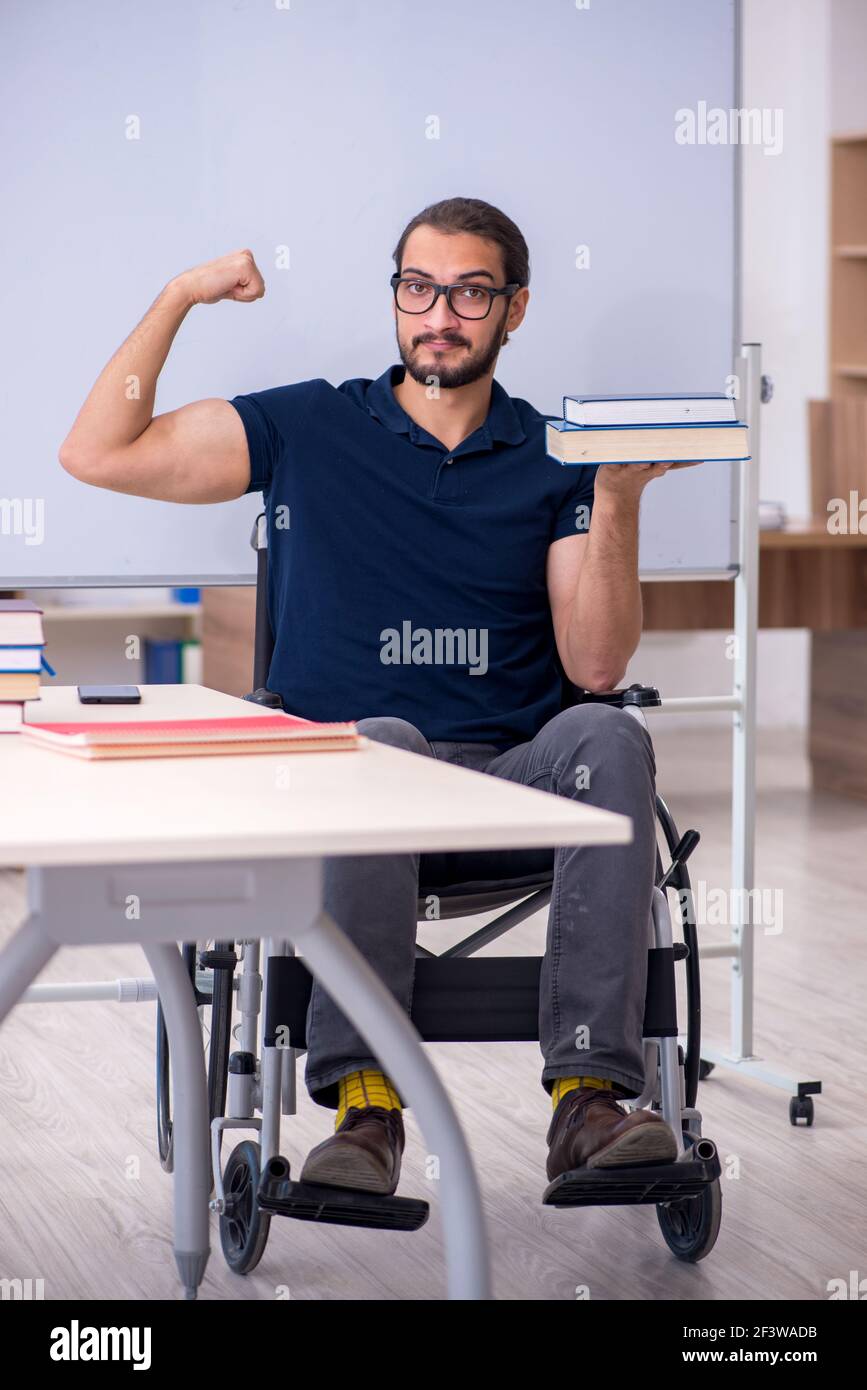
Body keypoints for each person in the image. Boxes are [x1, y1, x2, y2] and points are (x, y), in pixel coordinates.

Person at [60, 196, 692, 1196]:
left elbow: (598, 662)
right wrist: (182, 294)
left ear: (514, 309)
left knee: (607, 734)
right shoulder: (310, 423)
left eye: (471, 292)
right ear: (395, 297)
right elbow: (97, 452)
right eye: (418, 287)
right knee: (382, 739)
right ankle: (365, 1112)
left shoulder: (555, 453)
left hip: (502, 788)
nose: (440, 313)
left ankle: (588, 1099)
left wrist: (615, 497)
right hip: (347, 779)